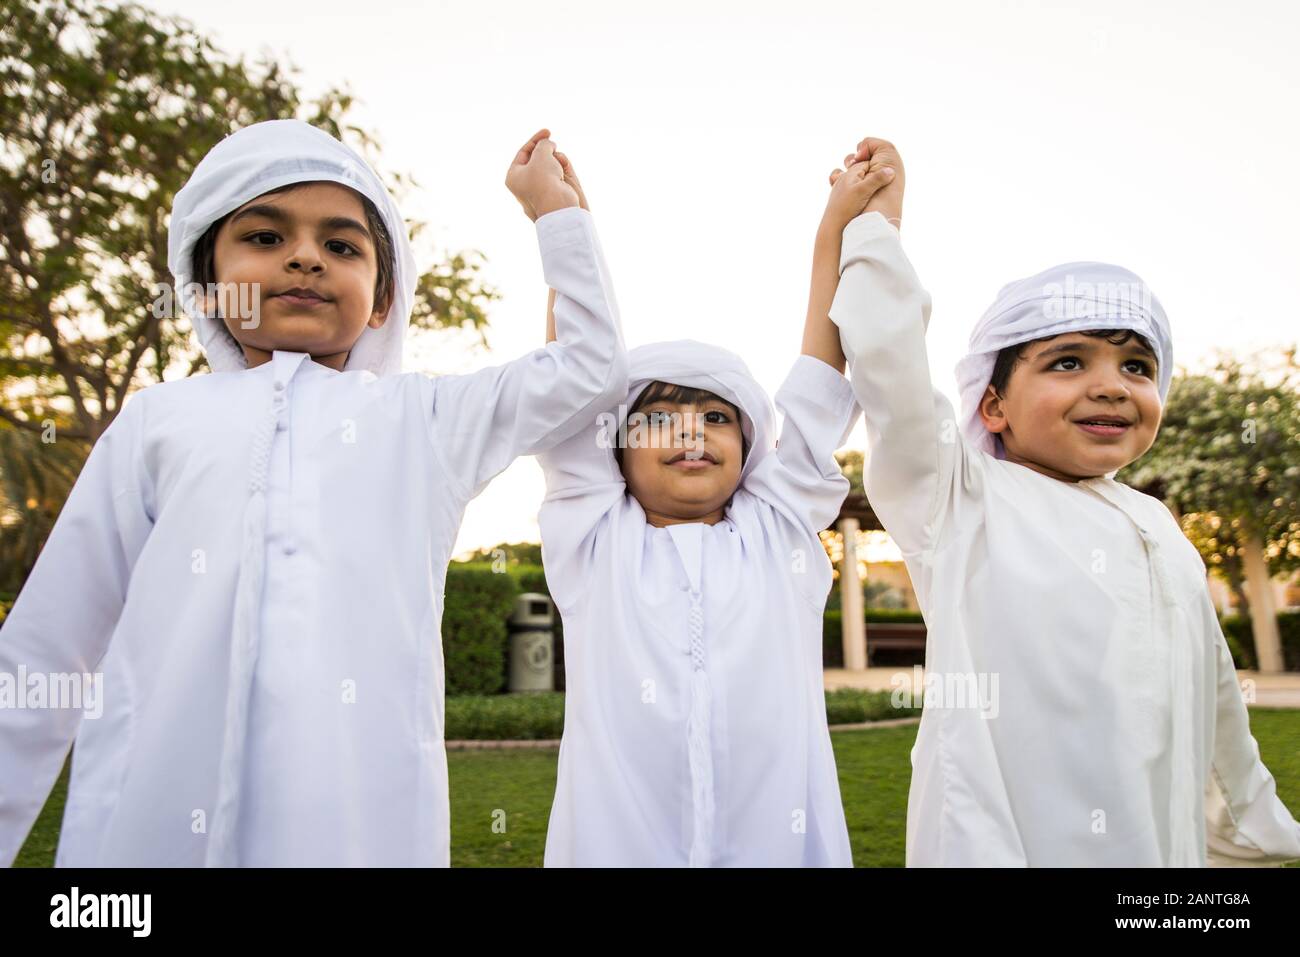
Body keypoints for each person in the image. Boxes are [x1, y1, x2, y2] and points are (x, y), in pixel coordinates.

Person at [0, 120, 627, 866]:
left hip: (357, 826)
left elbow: (588, 366)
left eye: (341, 245)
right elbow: (49, 644)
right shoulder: (157, 423)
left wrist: (558, 218)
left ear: (384, 299)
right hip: (148, 823)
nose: (304, 256)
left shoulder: (425, 421)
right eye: (264, 237)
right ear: (204, 286)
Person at [828, 136, 1300, 866]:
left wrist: (1256, 825)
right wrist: (875, 228)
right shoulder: (956, 499)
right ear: (992, 404)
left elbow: (1214, 702)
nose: (1112, 384)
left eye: (1137, 365)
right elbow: (888, 359)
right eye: (1069, 361)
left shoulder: (1158, 524)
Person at [534, 154, 895, 865]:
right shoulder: (592, 541)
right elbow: (570, 382)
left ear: (749, 443)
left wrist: (838, 230)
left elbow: (822, 379)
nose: (693, 431)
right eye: (663, 417)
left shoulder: (778, 530)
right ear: (616, 447)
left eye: (717, 416)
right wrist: (563, 226)